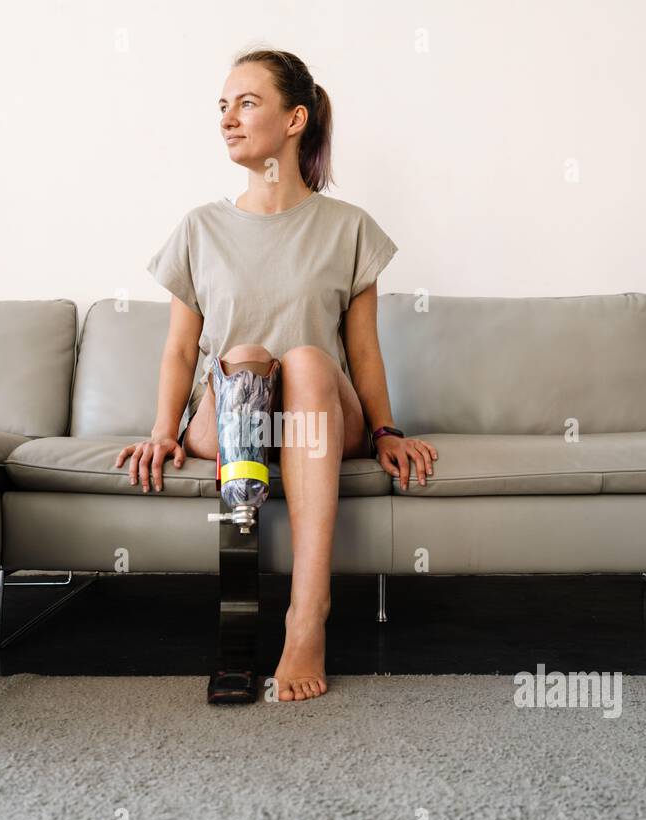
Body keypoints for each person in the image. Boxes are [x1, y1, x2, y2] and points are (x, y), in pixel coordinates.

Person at [116, 49, 438, 702]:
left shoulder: (348, 229)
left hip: (320, 419)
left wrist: (386, 431)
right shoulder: (200, 229)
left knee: (309, 359)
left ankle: (306, 613)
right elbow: (182, 351)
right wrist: (160, 429)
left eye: (247, 103)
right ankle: (240, 609)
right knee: (249, 355)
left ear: (295, 120)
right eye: (222, 106)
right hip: (229, 414)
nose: (228, 119)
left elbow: (364, 352)